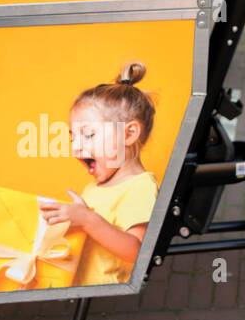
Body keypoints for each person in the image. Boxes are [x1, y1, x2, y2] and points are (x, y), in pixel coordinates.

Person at [40, 61, 159, 285]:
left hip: (104, 298)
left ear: (129, 134)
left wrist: (86, 219)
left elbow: (137, 251)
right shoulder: (95, 187)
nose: (75, 146)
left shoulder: (140, 187)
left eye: (88, 135)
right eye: (72, 136)